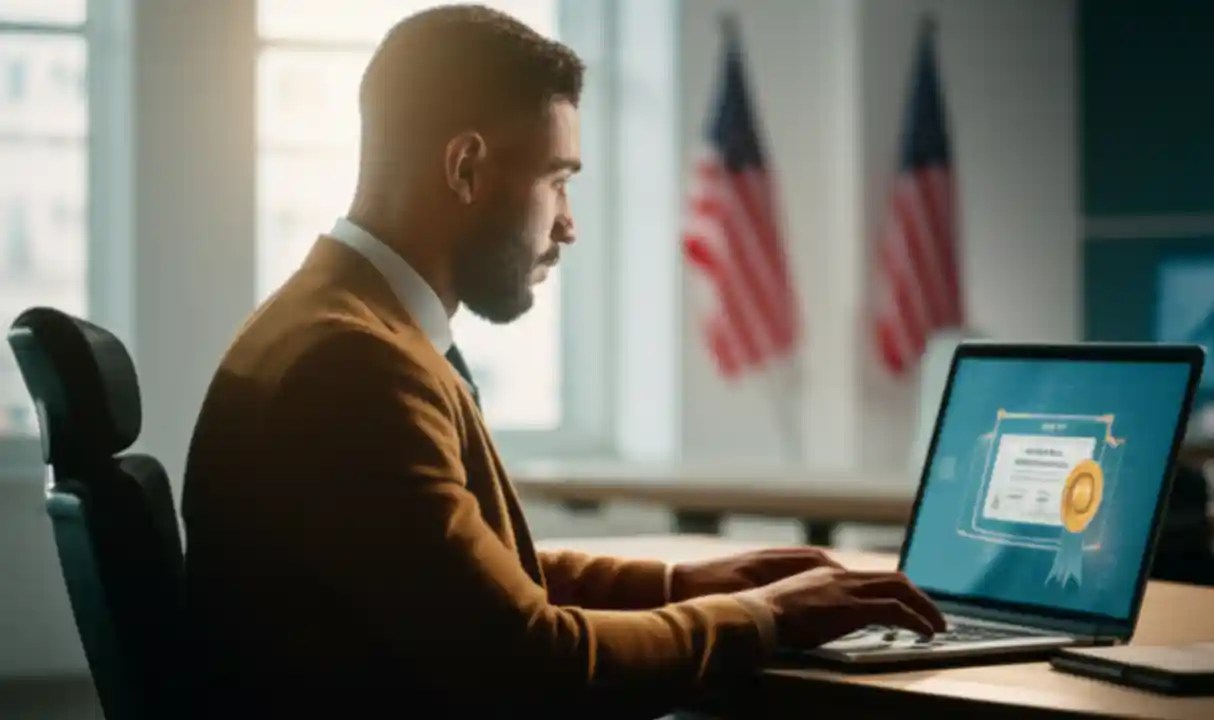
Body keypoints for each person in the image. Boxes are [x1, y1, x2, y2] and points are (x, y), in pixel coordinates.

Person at [181, 5, 945, 718]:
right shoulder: (356, 367)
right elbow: (528, 662)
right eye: (557, 181)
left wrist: (684, 583)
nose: (568, 225)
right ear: (465, 167)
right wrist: (765, 617)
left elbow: (473, 583)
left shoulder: (334, 324)